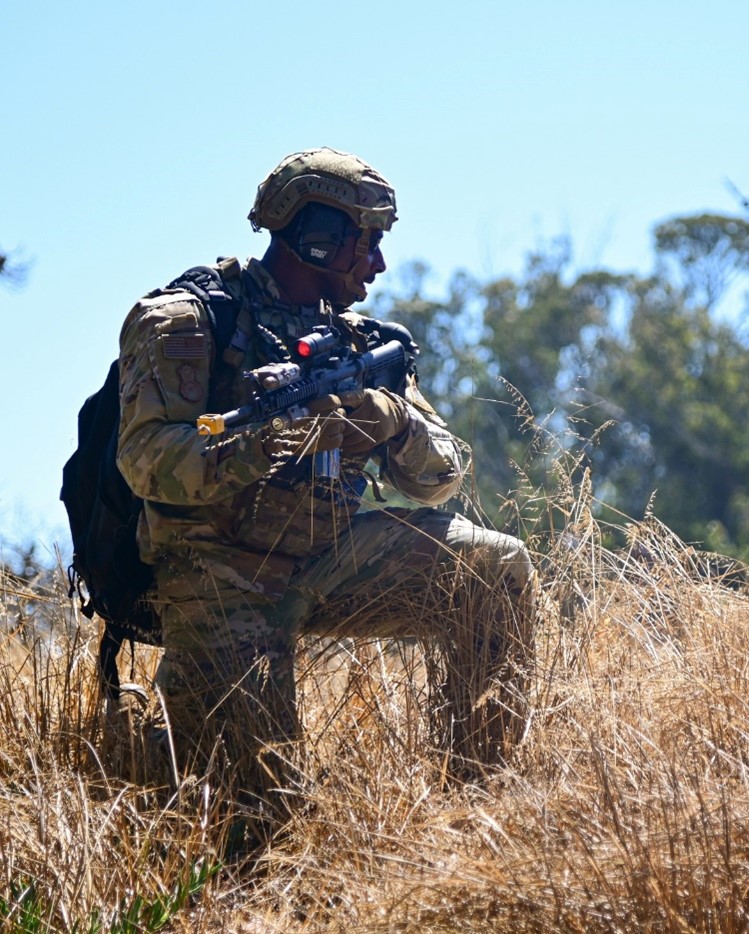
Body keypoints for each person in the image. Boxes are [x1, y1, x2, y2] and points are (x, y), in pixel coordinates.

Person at [116, 148, 534, 822]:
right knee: (260, 821)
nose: (378, 265)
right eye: (365, 243)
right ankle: (143, 743)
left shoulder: (363, 343)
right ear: (319, 236)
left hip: (330, 561)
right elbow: (144, 459)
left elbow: (441, 476)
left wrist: (390, 422)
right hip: (223, 577)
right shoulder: (187, 321)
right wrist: (270, 442)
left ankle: (477, 804)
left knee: (496, 566)